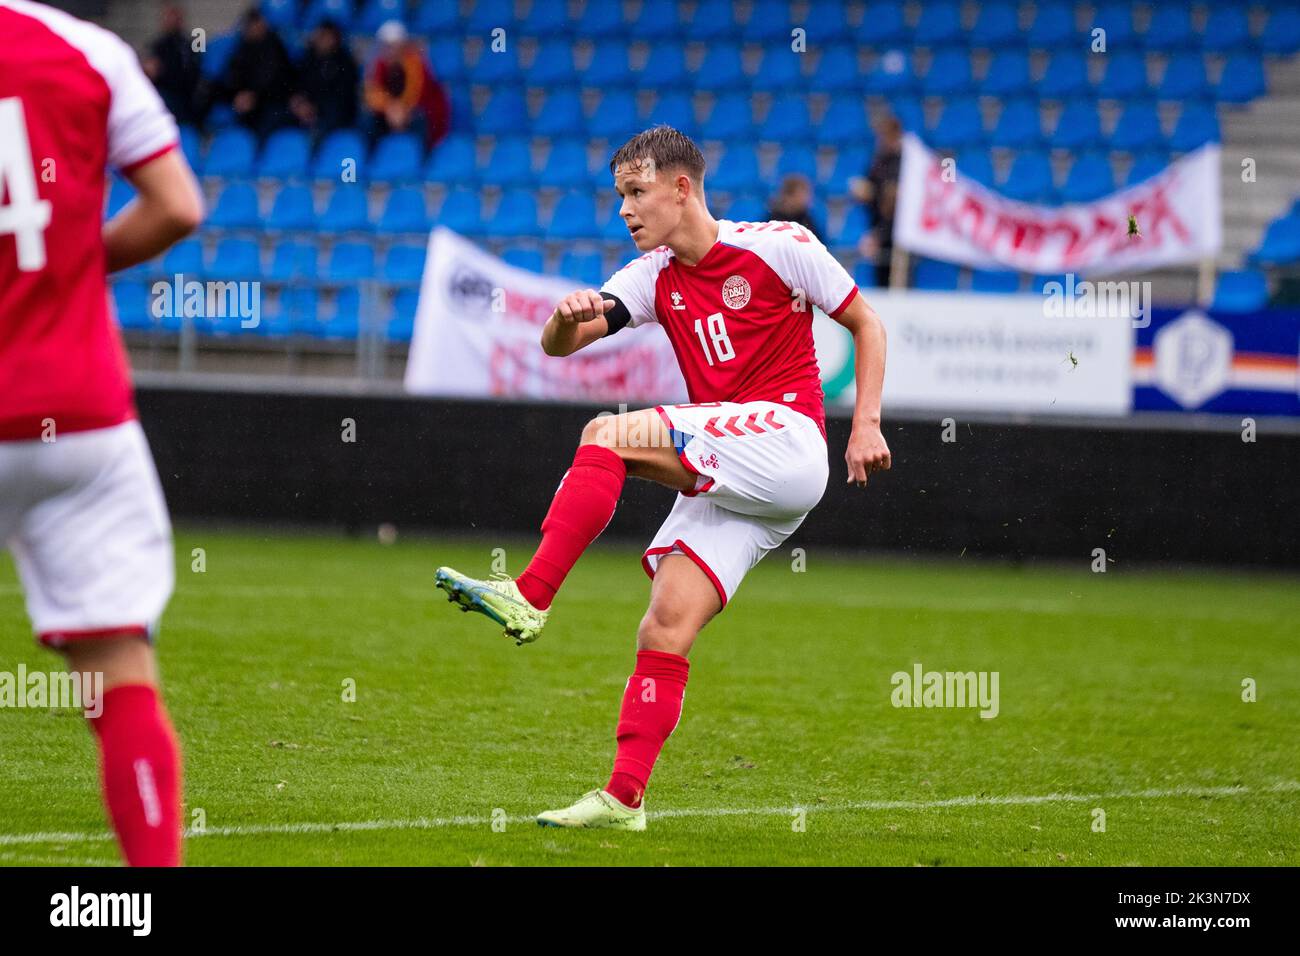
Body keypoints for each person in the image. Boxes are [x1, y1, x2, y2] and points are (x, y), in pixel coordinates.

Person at [434, 126, 890, 830]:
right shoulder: (650, 276)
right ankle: (625, 799)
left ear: (682, 189)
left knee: (606, 435)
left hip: (788, 443)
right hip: (744, 479)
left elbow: (867, 323)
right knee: (664, 627)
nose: (625, 209)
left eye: (637, 192)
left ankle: (530, 594)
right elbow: (566, 344)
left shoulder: (779, 247)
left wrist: (864, 423)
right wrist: (562, 321)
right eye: (620, 195)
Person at [0, 0, 204, 865]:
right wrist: (70, 263)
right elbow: (177, 207)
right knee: (119, 675)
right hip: (73, 411)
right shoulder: (88, 52)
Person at [363, 20, 450, 149]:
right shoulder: (379, 64)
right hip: (391, 112)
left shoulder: (415, 62)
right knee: (368, 121)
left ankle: (422, 158)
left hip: (414, 110)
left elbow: (417, 92)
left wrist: (402, 109)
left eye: (394, 46)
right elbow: (373, 93)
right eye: (387, 46)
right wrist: (389, 107)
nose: (390, 50)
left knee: (420, 120)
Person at [223, 6, 296, 140]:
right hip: (249, 103)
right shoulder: (242, 48)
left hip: (273, 101)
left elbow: (275, 80)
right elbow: (233, 75)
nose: (251, 29)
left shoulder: (275, 47)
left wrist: (253, 95)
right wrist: (238, 95)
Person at [851, 114, 902, 287]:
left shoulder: (905, 163)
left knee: (899, 282)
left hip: (898, 234)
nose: (880, 140)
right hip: (879, 228)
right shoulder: (878, 160)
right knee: (881, 283)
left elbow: (894, 203)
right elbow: (871, 190)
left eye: (884, 135)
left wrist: (877, 235)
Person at [290, 19, 359, 143]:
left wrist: (315, 108)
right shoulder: (308, 59)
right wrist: (300, 103)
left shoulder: (345, 62)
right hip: (307, 108)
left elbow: (342, 96)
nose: (322, 40)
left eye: (326, 37)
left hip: (333, 112)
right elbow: (298, 84)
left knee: (321, 127)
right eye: (320, 36)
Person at [142, 3, 202, 126]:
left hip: (179, 98)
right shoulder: (158, 44)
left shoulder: (189, 44)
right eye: (166, 17)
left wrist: (161, 70)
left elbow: (190, 74)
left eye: (172, 17)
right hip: (160, 92)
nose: (168, 21)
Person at [766, 173, 823, 241]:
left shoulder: (807, 219)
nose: (808, 198)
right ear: (788, 196)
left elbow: (818, 245)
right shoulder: (772, 221)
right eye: (802, 194)